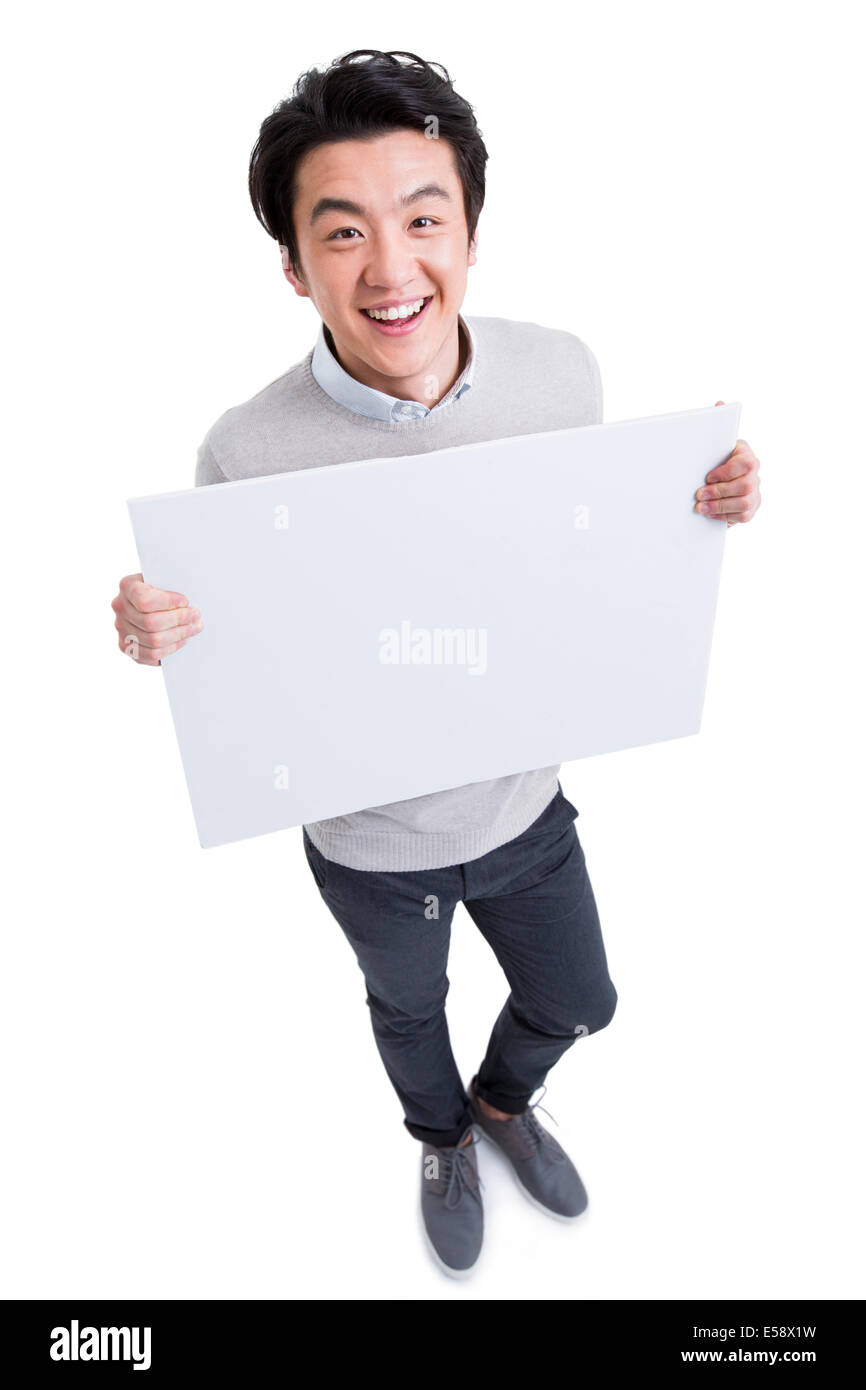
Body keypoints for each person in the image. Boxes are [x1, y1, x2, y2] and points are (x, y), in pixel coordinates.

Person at [110, 49, 762, 1279]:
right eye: (342, 233)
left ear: (469, 231)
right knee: (408, 1014)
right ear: (296, 268)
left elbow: (585, 565)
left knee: (582, 996)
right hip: (367, 841)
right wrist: (161, 632)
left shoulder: (562, 374)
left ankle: (506, 1103)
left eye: (423, 219)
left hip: (523, 807)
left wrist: (693, 505)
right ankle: (440, 1132)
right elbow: (236, 653)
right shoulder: (243, 452)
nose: (391, 268)